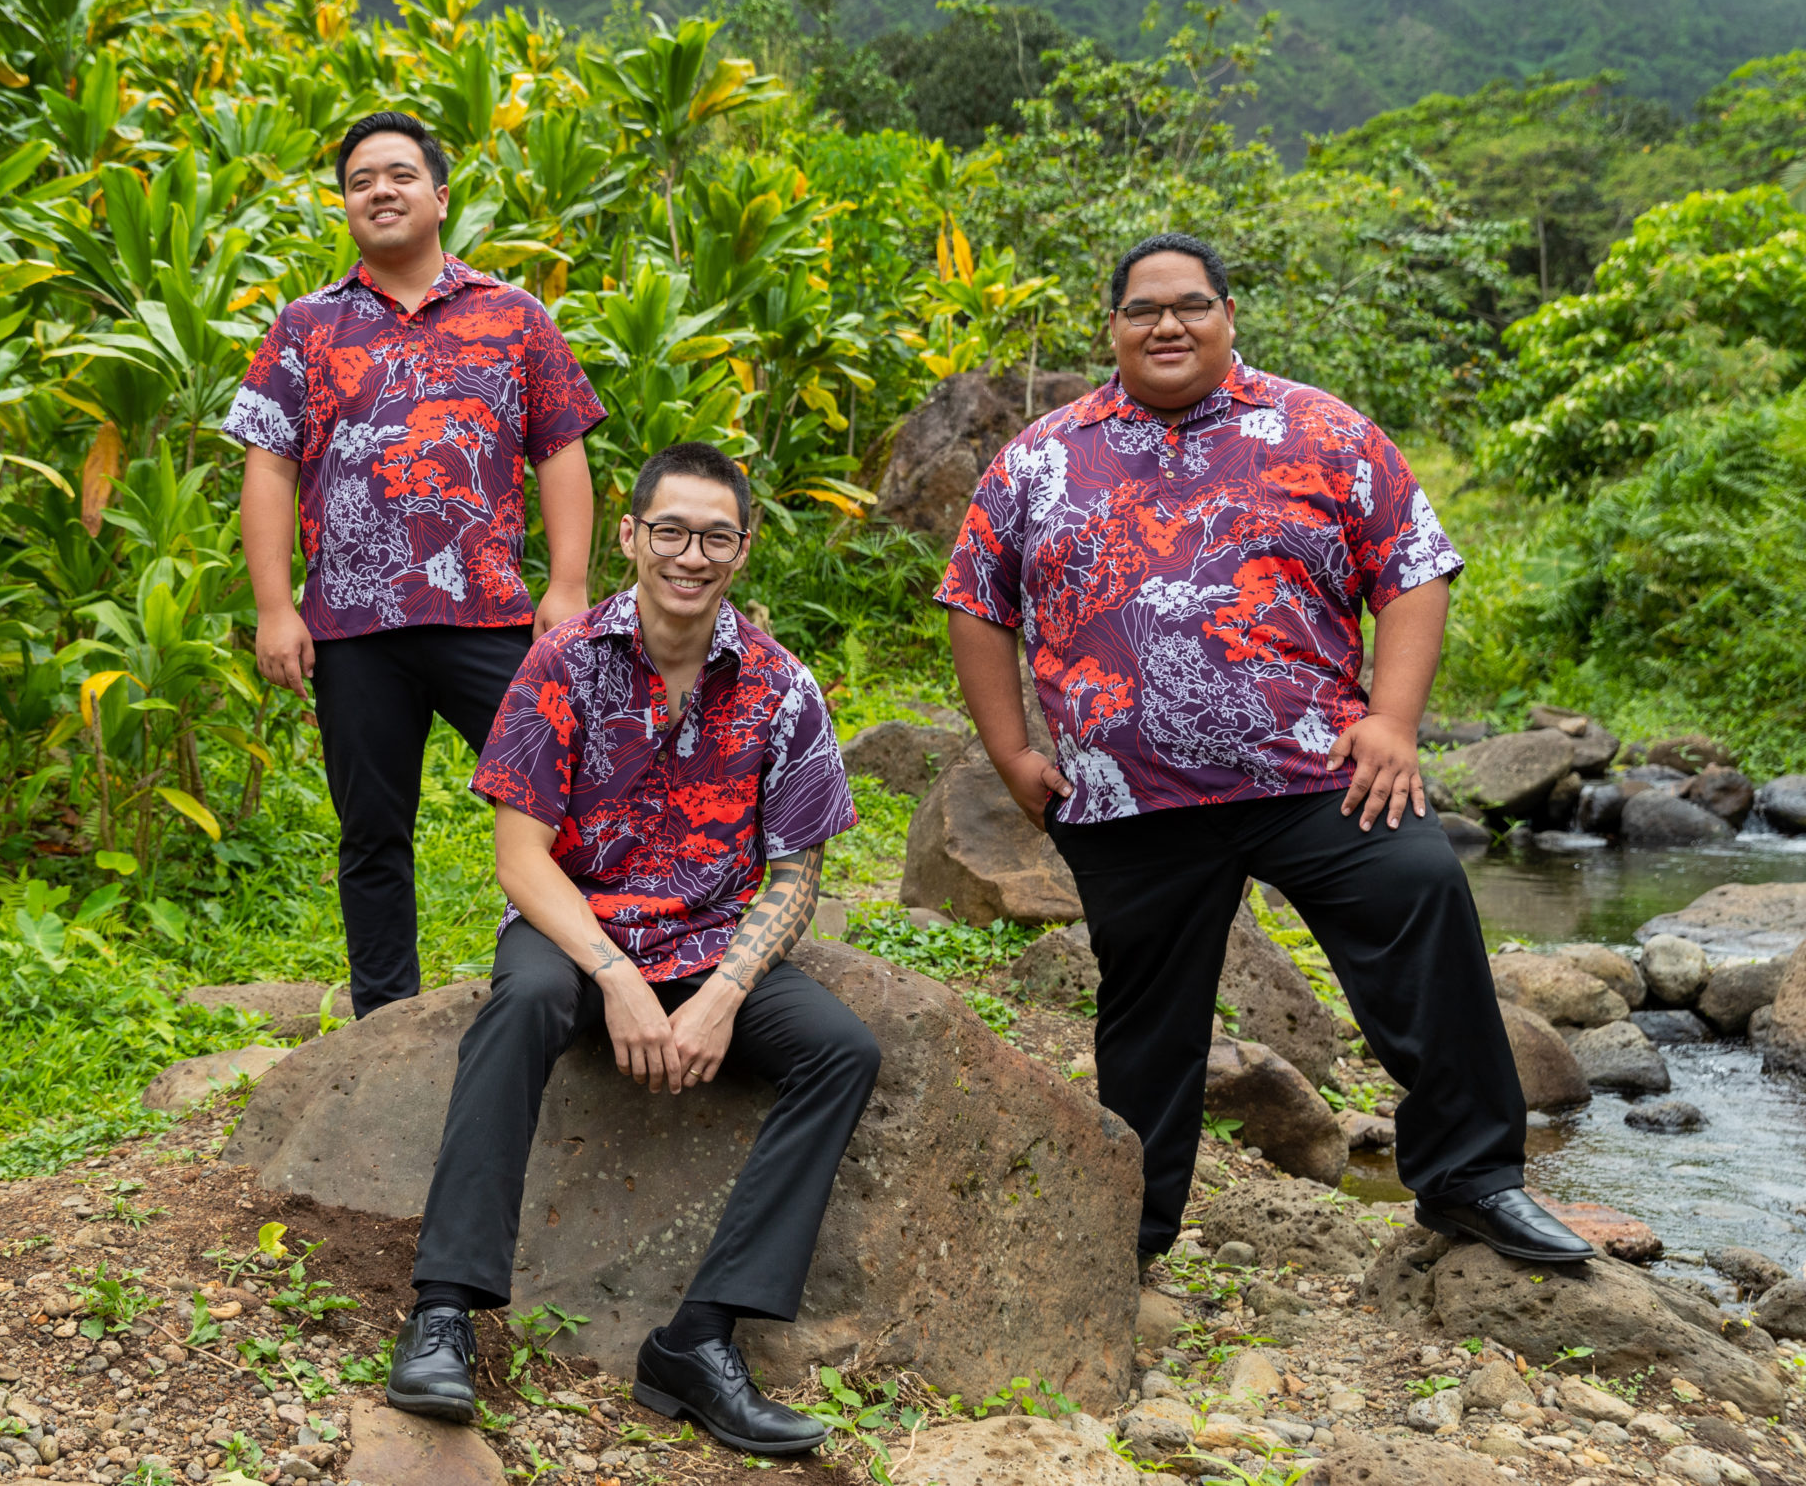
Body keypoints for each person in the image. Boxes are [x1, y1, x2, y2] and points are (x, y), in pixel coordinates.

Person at [938, 231, 1591, 1269]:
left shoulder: (1321, 429)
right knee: (1147, 1022)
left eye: (1190, 304)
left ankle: (1469, 1178)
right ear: (1110, 328)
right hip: (1130, 794)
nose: (1167, 323)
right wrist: (1013, 751)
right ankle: (1129, 1239)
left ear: (1228, 317)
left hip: (1315, 772)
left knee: (1422, 899)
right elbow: (977, 601)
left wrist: (1392, 719)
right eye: (1142, 308)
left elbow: (1412, 568)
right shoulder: (1040, 458)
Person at [385, 442, 878, 1459]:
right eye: (670, 531)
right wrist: (612, 976)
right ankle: (443, 1314)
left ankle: (698, 1343)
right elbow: (519, 860)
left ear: (740, 550)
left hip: (706, 939)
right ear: (630, 536)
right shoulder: (561, 660)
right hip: (572, 929)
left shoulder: (784, 688)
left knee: (842, 1049)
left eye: (713, 536)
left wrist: (720, 996)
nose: (689, 556)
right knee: (517, 1007)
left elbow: (796, 876)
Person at [226, 111, 604, 1016]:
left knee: (565, 798)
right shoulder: (306, 327)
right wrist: (277, 608)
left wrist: (568, 585)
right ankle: (385, 1019)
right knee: (371, 833)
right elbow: (269, 466)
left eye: (399, 174)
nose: (380, 190)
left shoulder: (514, 317)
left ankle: (592, 977)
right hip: (353, 629)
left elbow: (561, 450)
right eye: (361, 181)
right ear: (347, 208)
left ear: (440, 196)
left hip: (492, 616)